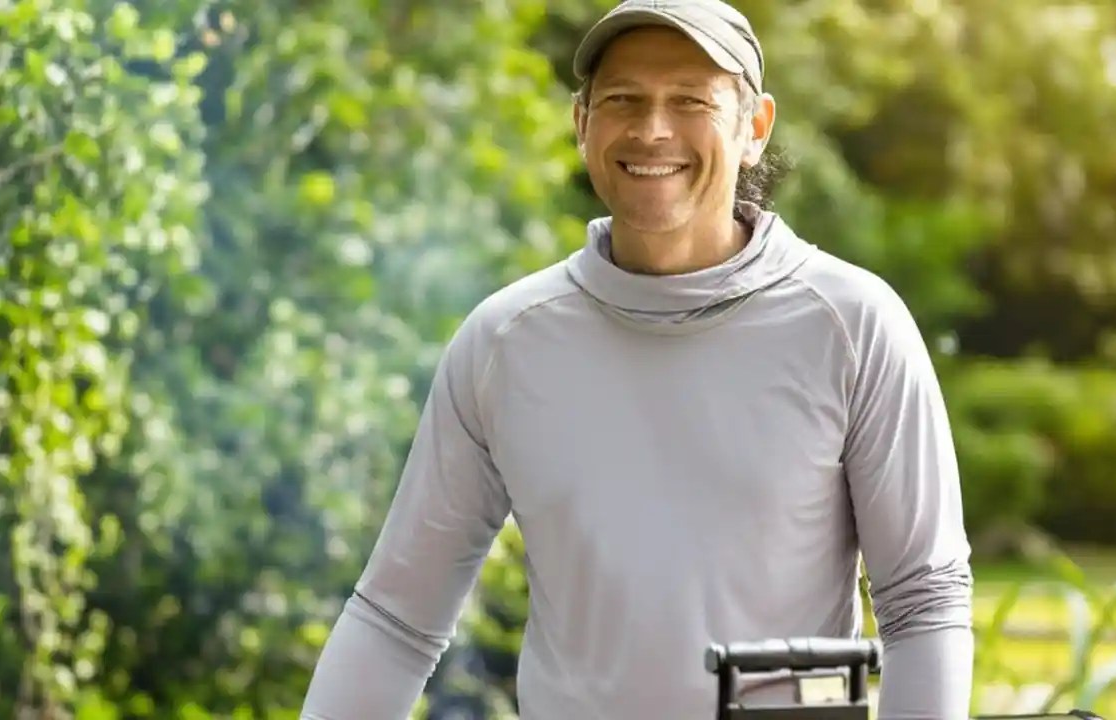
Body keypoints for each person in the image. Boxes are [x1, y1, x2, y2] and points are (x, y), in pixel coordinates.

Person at [300, 0, 974, 718]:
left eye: (690, 101)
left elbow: (922, 602)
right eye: (624, 99)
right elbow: (396, 620)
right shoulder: (505, 342)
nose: (653, 130)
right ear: (582, 123)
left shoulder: (852, 324)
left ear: (754, 128)